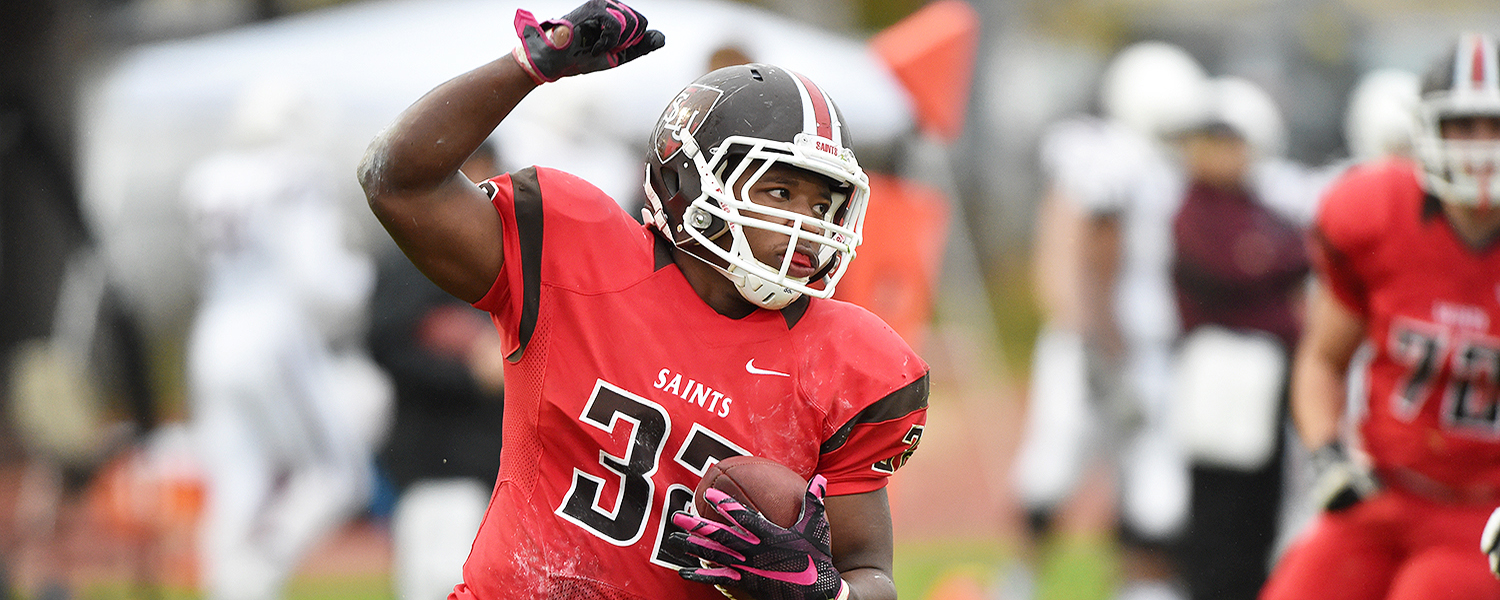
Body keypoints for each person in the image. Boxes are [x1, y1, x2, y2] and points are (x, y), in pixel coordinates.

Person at [355, 2, 930, 600]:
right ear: (689, 183)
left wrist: (826, 593)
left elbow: (871, 572)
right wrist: (525, 67)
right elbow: (397, 182)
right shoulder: (574, 253)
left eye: (821, 205)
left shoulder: (849, 362)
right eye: (781, 191)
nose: (805, 224)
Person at [1259, 31, 1500, 600]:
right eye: (1462, 125)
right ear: (1426, 131)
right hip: (1384, 491)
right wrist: (1327, 452)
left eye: (1494, 126)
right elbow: (1323, 358)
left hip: (1481, 514)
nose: (1480, 146)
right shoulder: (1373, 213)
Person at [1005, 40, 1209, 600]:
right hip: (1099, 343)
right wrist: (1099, 347)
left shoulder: (1168, 166)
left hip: (1149, 347)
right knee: (1053, 467)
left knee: (1154, 483)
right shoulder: (1111, 158)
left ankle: (1141, 586)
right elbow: (1089, 255)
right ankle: (1019, 580)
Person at [184, 76, 392, 600]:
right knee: (339, 473)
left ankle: (227, 588)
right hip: (273, 339)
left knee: (239, 480)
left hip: (211, 339)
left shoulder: (207, 178)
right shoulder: (295, 177)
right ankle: (261, 568)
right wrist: (375, 284)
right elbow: (320, 279)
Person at [1168, 76, 1311, 600]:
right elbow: (1237, 266)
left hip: (1269, 368)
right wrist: (1271, 263)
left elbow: (1294, 254)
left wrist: (1271, 260)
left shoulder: (1262, 208)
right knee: (1219, 507)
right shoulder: (1194, 211)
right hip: (1220, 368)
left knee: (1261, 506)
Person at [369, 142, 507, 600]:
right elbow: (385, 345)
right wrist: (470, 371)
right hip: (435, 461)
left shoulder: (508, 252)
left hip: (495, 464)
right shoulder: (408, 257)